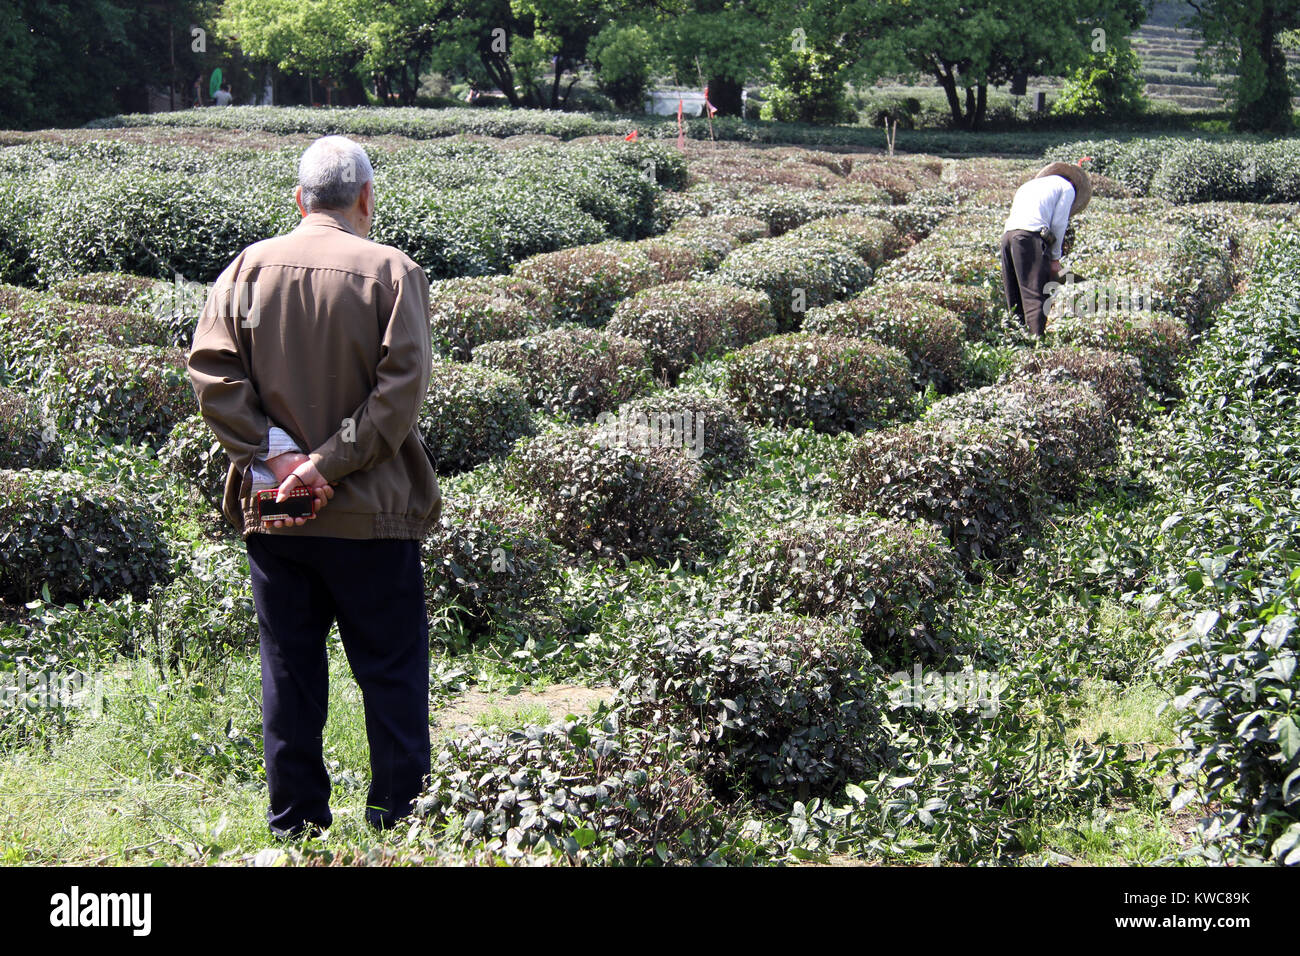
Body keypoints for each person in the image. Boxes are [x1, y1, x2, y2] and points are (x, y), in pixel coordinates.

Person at [187, 135, 441, 839]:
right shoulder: (392, 272)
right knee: (390, 674)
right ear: (366, 198)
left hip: (275, 516)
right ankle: (399, 823)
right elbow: (399, 396)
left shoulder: (247, 270)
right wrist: (326, 466)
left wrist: (276, 460)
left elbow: (213, 373)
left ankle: (296, 827)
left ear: (299, 200)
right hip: (373, 518)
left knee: (290, 675)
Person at [999, 160, 1092, 336]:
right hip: (1028, 237)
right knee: (1035, 297)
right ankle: (1036, 347)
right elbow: (1058, 223)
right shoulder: (1067, 188)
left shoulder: (1029, 186)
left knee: (1015, 297)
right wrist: (1055, 259)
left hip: (1008, 237)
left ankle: (1014, 343)